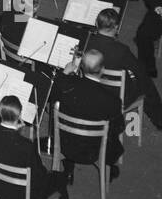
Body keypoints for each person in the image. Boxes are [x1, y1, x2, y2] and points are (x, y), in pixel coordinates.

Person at [0, 96, 80, 199]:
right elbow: (39, 175)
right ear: (20, 115)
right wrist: (20, 133)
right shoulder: (26, 145)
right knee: (59, 178)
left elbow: (5, 148)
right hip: (23, 197)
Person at [85, 8, 162, 131]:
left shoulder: (87, 42)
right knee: (146, 83)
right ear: (116, 27)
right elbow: (140, 72)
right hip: (117, 95)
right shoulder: (121, 50)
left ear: (96, 24)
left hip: (93, 89)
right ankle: (161, 121)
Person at [50, 50, 125, 183]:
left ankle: (68, 169)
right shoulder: (112, 100)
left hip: (66, 145)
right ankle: (109, 168)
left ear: (82, 67)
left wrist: (65, 72)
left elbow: (52, 96)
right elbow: (119, 127)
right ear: (102, 69)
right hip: (93, 150)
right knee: (113, 138)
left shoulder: (65, 84)